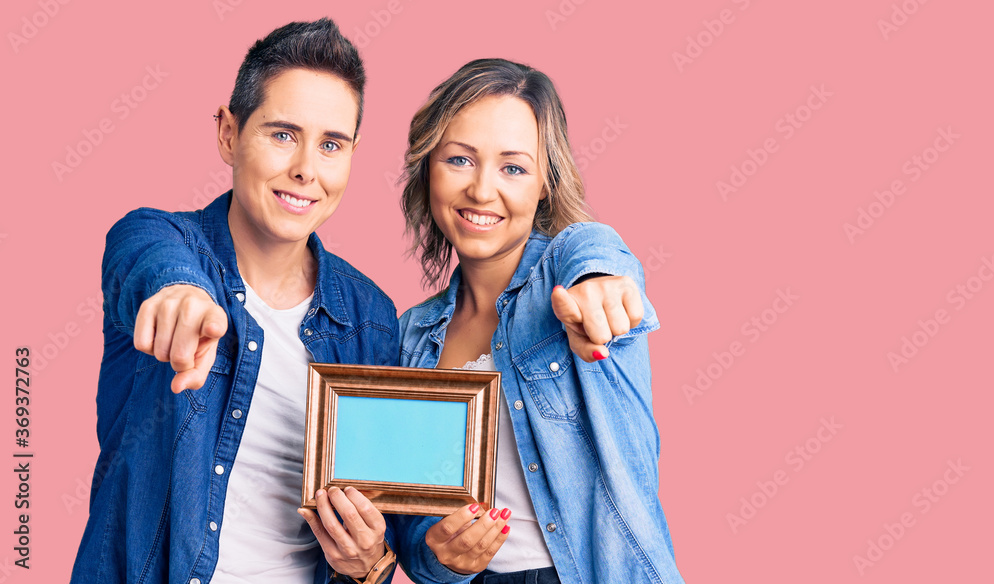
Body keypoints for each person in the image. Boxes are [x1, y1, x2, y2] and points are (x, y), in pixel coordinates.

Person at [71, 19, 407, 584]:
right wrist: (179, 296)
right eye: (282, 134)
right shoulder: (160, 240)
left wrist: (372, 564)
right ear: (228, 133)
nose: (306, 168)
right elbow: (147, 262)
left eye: (331, 144)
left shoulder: (371, 318)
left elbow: (372, 545)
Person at [391, 59, 686, 584]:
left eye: (513, 168)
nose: (482, 191)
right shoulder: (411, 337)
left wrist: (603, 286)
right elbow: (414, 539)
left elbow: (599, 253)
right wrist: (439, 555)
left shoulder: (572, 264)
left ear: (546, 184)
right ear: (428, 165)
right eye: (460, 159)